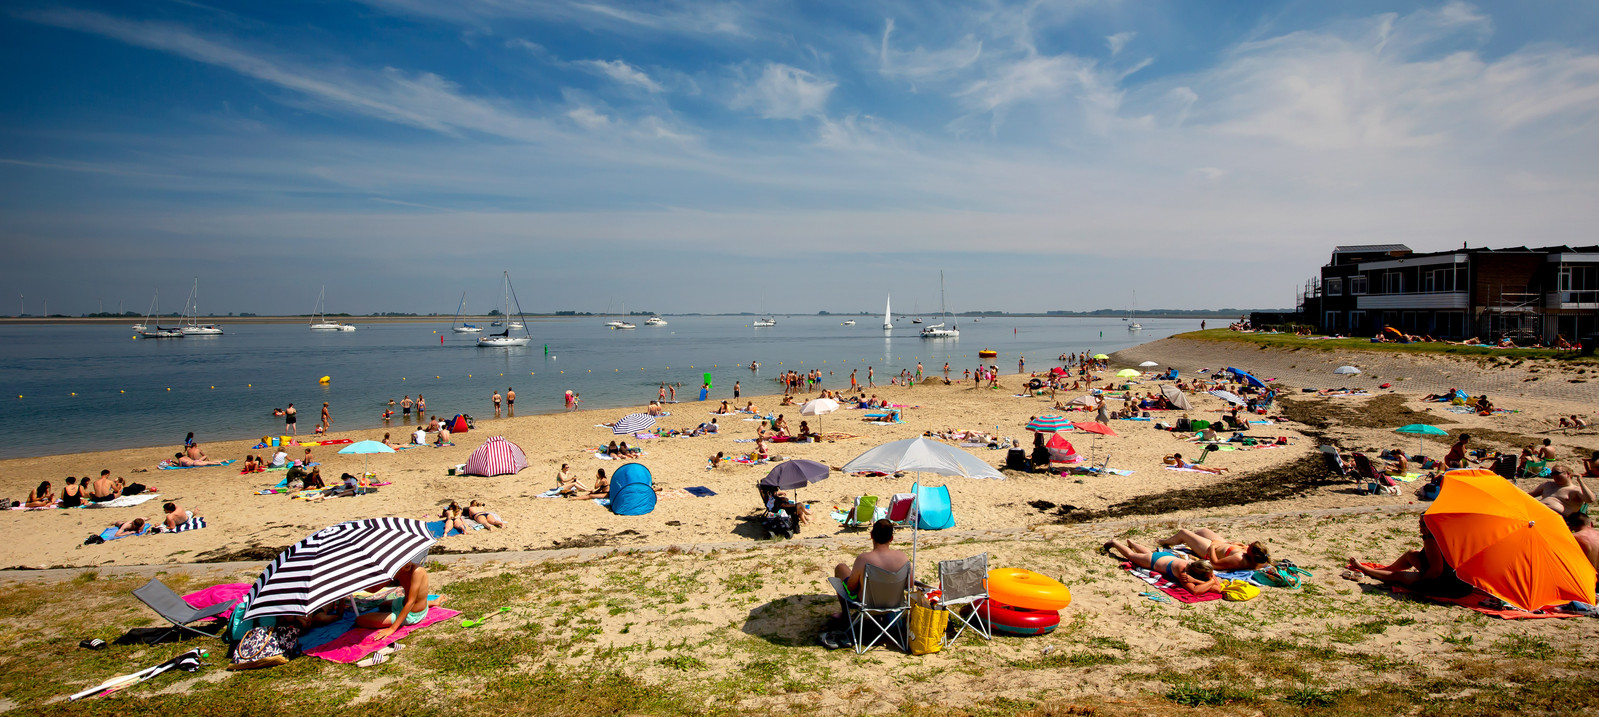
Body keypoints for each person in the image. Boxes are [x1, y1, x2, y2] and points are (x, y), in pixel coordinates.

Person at [1345, 517, 1474, 599]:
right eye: (1420, 523)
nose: (1421, 527)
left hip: (1448, 585)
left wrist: (1419, 582)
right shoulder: (1444, 535)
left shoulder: (1431, 540)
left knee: (1398, 576)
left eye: (1424, 524)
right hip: (1459, 580)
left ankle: (1364, 569)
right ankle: (1386, 570)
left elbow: (1436, 571)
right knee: (1411, 555)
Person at [831, 520, 910, 615]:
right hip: (895, 604)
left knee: (841, 568)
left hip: (868, 605)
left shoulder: (863, 559)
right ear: (891, 538)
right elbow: (910, 584)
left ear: (871, 535)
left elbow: (851, 588)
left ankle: (845, 616)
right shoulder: (903, 558)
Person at [354, 563, 444, 643]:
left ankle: (431, 603)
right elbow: (374, 589)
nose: (407, 563)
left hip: (412, 613)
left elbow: (411, 602)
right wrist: (352, 585)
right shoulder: (397, 571)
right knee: (382, 605)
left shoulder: (417, 571)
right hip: (403, 602)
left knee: (360, 620)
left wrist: (392, 629)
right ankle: (432, 602)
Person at [1104, 538, 1221, 596]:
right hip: (1155, 561)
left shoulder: (1202, 567)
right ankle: (1115, 543)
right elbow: (1195, 591)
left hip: (1165, 557)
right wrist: (1210, 581)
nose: (1210, 577)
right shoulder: (1183, 572)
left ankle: (1133, 543)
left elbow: (1217, 589)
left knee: (1148, 553)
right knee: (1131, 556)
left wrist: (1200, 580)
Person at [1158, 529, 1271, 572]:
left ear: (1252, 553)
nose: (1248, 545)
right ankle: (1191, 542)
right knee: (1202, 531)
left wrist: (1212, 547)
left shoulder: (1238, 559)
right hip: (1223, 544)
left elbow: (1215, 564)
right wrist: (1237, 545)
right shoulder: (1259, 558)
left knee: (1184, 533)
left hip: (1209, 550)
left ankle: (1165, 542)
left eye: (1250, 546)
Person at [1528, 465, 1595, 516]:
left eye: (1557, 473)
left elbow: (1590, 499)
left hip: (1558, 517)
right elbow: (1528, 496)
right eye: (1552, 474)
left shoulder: (1575, 490)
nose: (1554, 476)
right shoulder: (1547, 485)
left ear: (1568, 474)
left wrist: (1580, 481)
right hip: (1537, 512)